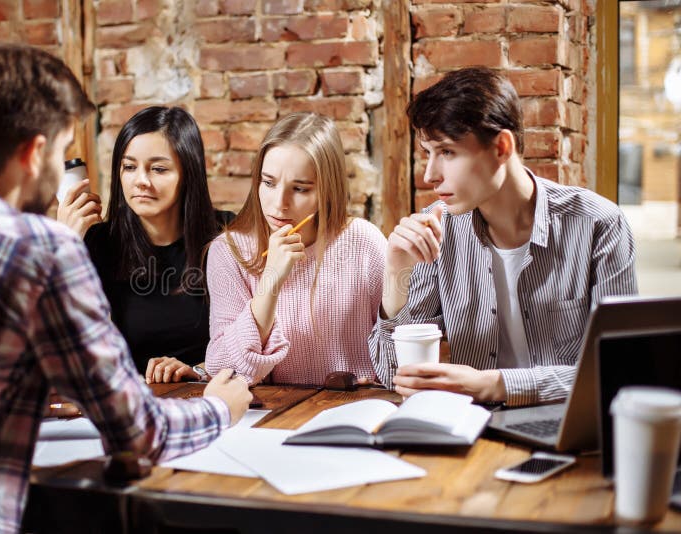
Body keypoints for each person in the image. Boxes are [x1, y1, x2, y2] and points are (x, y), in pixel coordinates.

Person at [0, 44, 250, 533]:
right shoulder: (44, 247)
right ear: (35, 154)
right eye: (62, 153)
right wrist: (220, 408)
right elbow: (140, 434)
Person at [370, 67, 637, 407]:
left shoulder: (598, 224)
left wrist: (494, 385)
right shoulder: (437, 229)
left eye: (447, 152)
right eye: (428, 153)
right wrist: (396, 271)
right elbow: (393, 374)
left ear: (501, 147)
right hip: (472, 426)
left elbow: (621, 369)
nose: (429, 175)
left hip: (568, 425)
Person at [205, 112, 387, 386]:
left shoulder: (365, 242)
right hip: (274, 410)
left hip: (356, 406)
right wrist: (270, 282)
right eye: (268, 183)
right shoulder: (228, 251)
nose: (279, 203)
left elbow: (401, 355)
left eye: (300, 189)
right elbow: (223, 371)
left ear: (328, 191)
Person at [58, 106, 233, 383]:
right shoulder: (99, 243)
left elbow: (251, 338)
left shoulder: (226, 236)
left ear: (188, 173)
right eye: (129, 167)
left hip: (212, 393)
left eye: (159, 169)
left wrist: (198, 371)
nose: (141, 181)